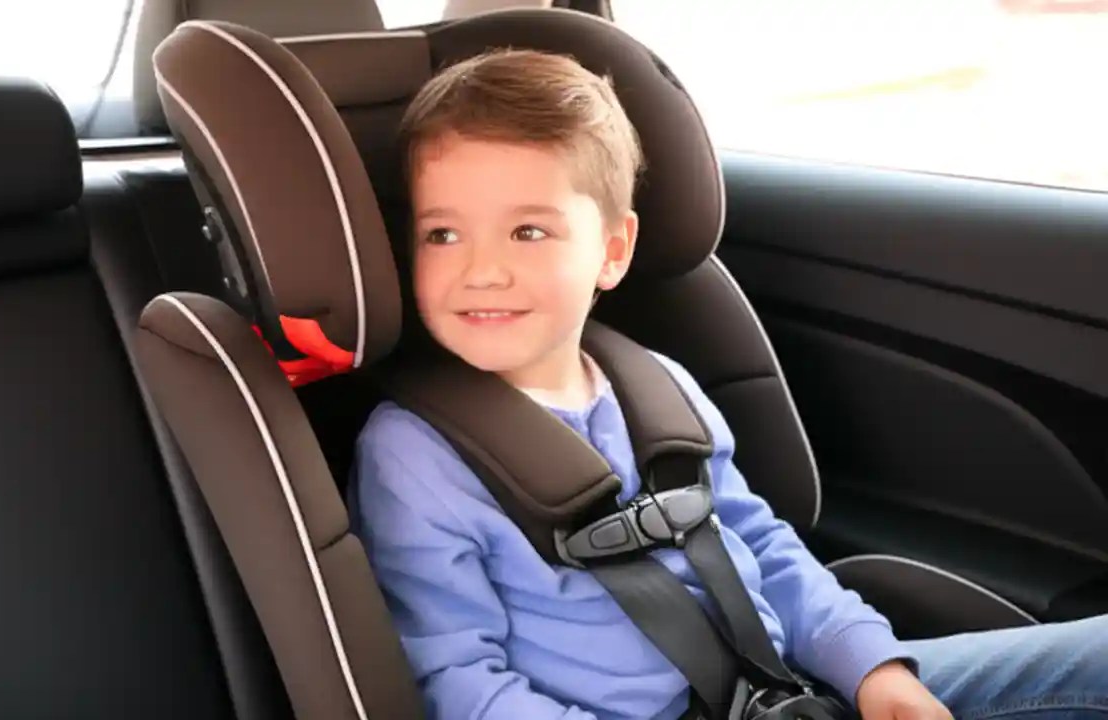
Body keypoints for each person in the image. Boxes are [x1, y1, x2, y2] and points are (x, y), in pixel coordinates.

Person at [347, 48, 1108, 720]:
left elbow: (766, 549)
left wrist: (874, 669)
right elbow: (453, 680)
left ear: (612, 251)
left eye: (529, 230)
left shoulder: (657, 388)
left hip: (797, 689)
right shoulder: (415, 456)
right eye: (443, 233)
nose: (481, 268)